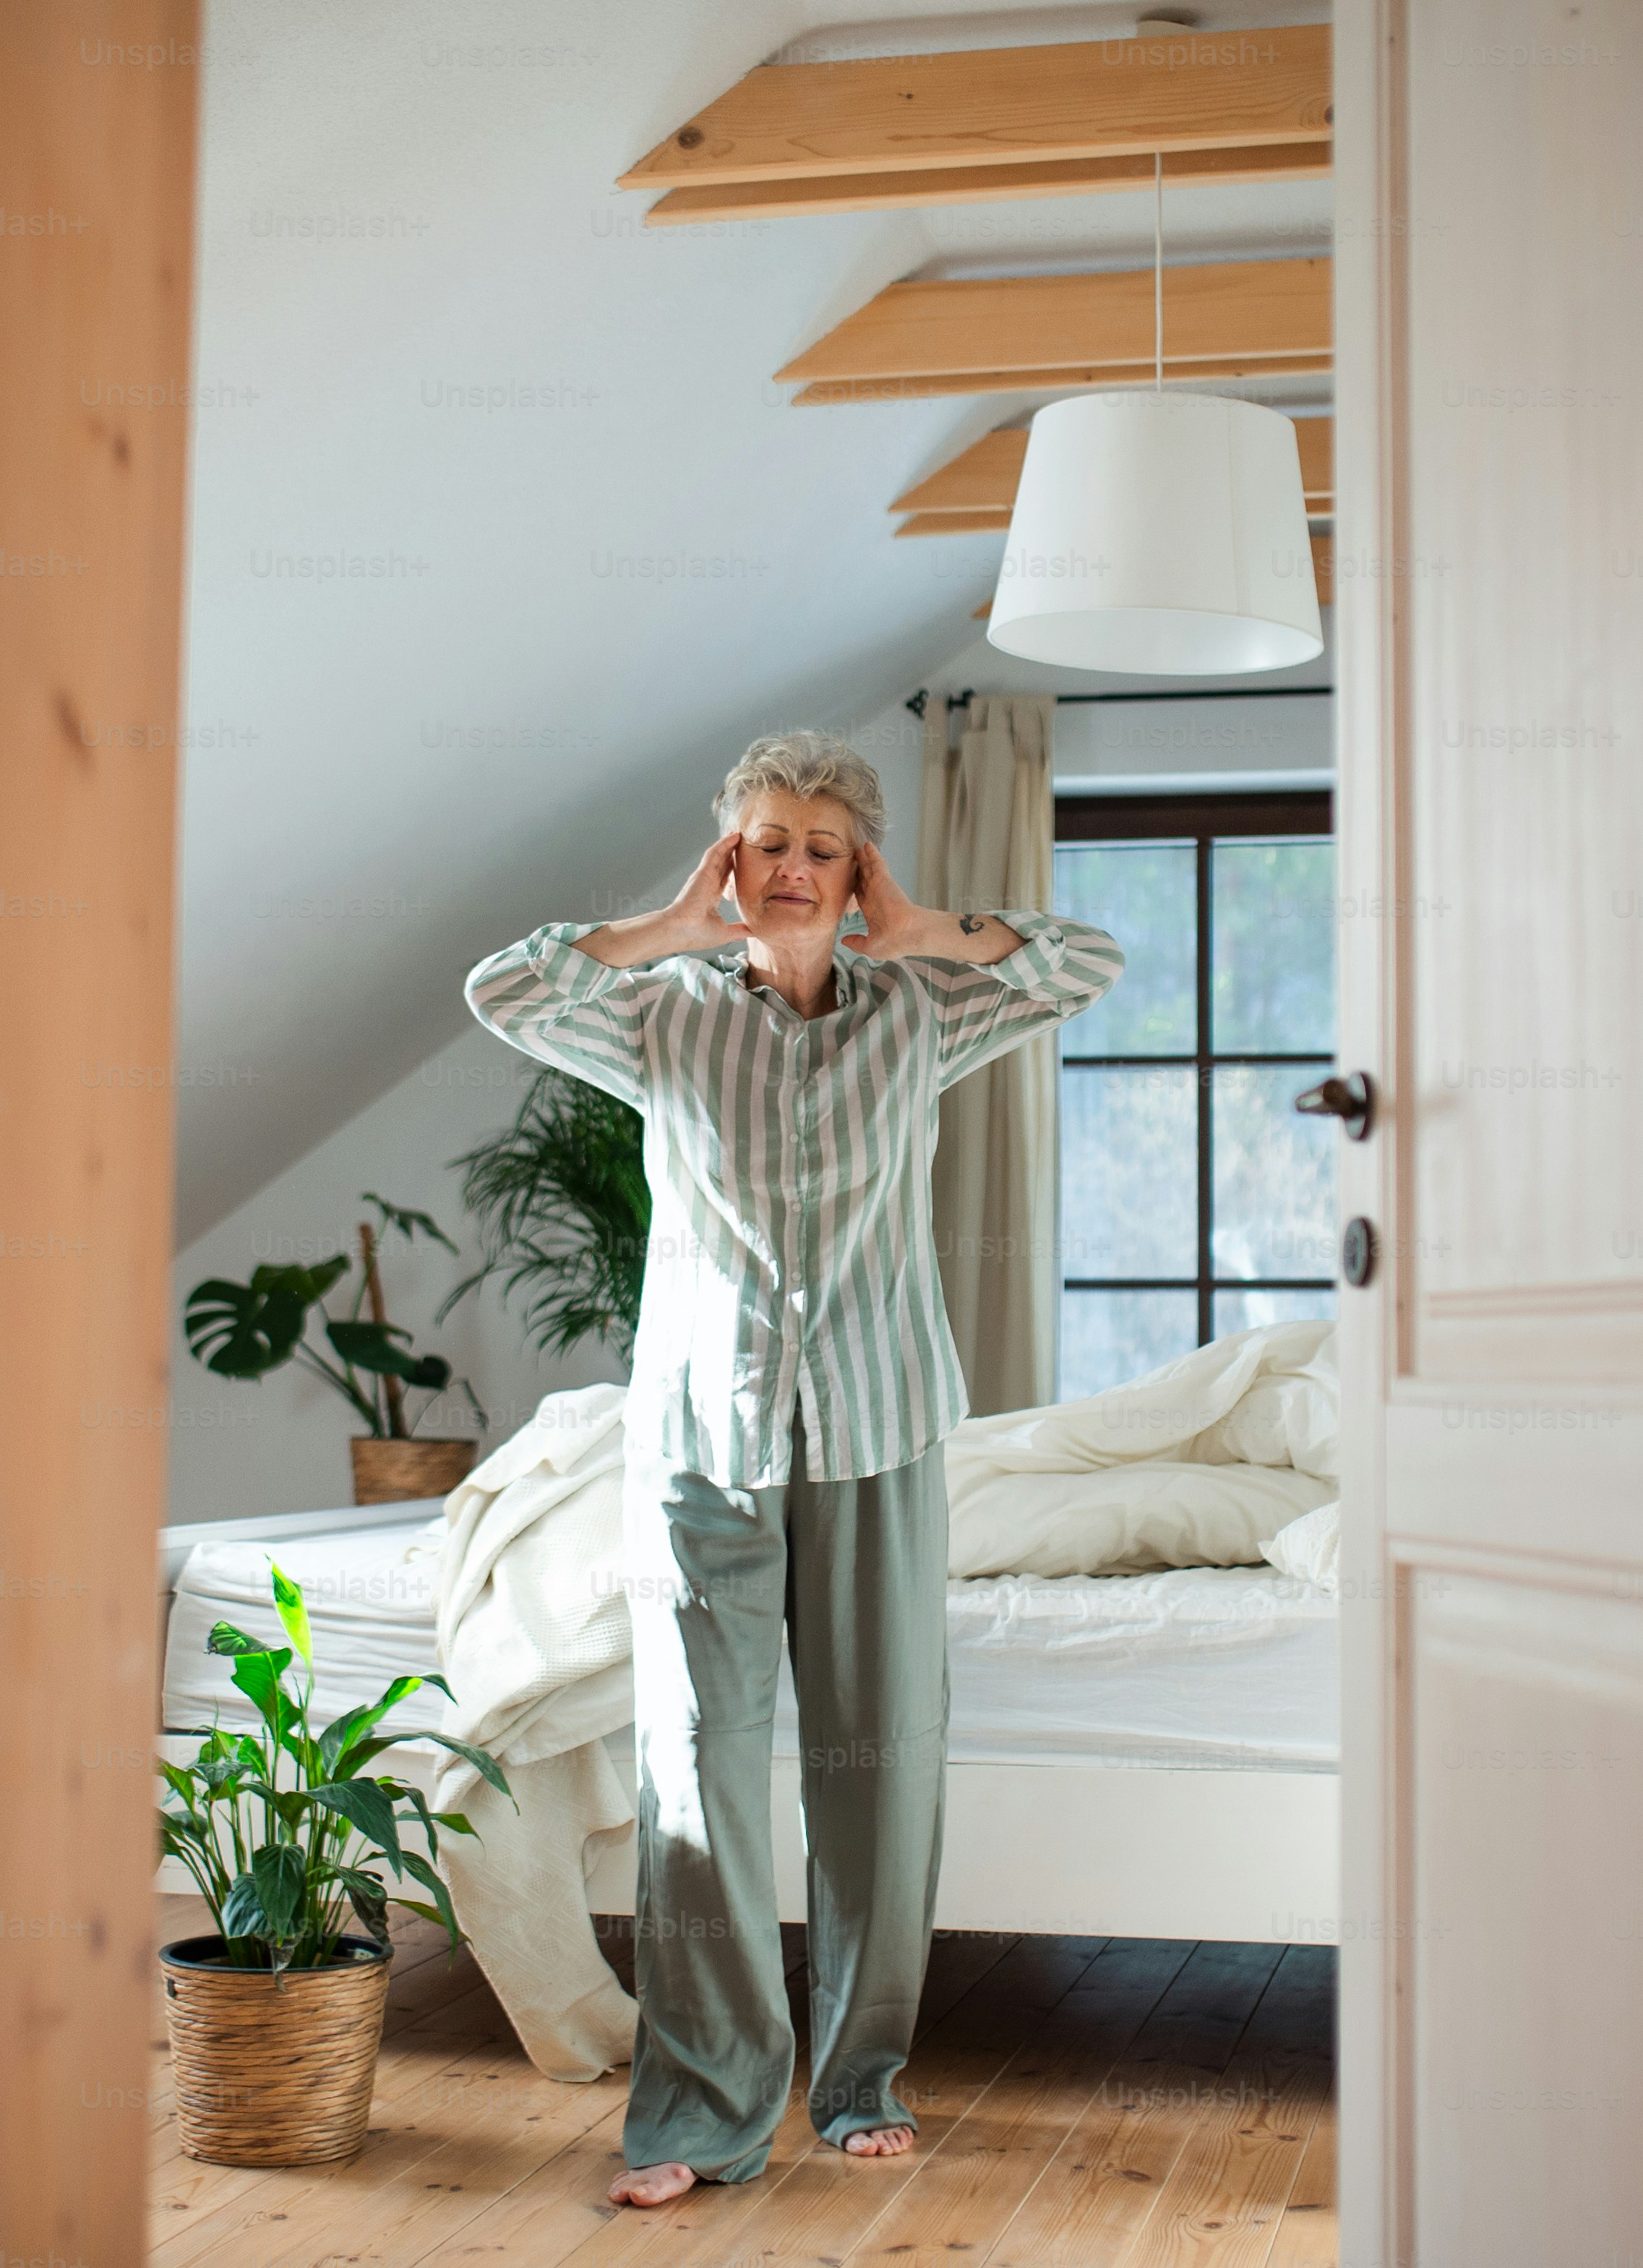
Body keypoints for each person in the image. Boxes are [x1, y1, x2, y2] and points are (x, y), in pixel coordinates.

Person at [465, 729, 1123, 2207]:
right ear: (730, 854)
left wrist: (929, 927)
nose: (792, 868)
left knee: (876, 1769)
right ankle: (703, 2106)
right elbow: (502, 990)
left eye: (822, 847)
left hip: (879, 1423)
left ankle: (862, 2078)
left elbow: (1084, 963)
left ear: (858, 867)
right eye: (768, 840)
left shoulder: (920, 1013)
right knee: (698, 1779)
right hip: (704, 1439)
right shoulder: (658, 1018)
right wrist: (663, 927)